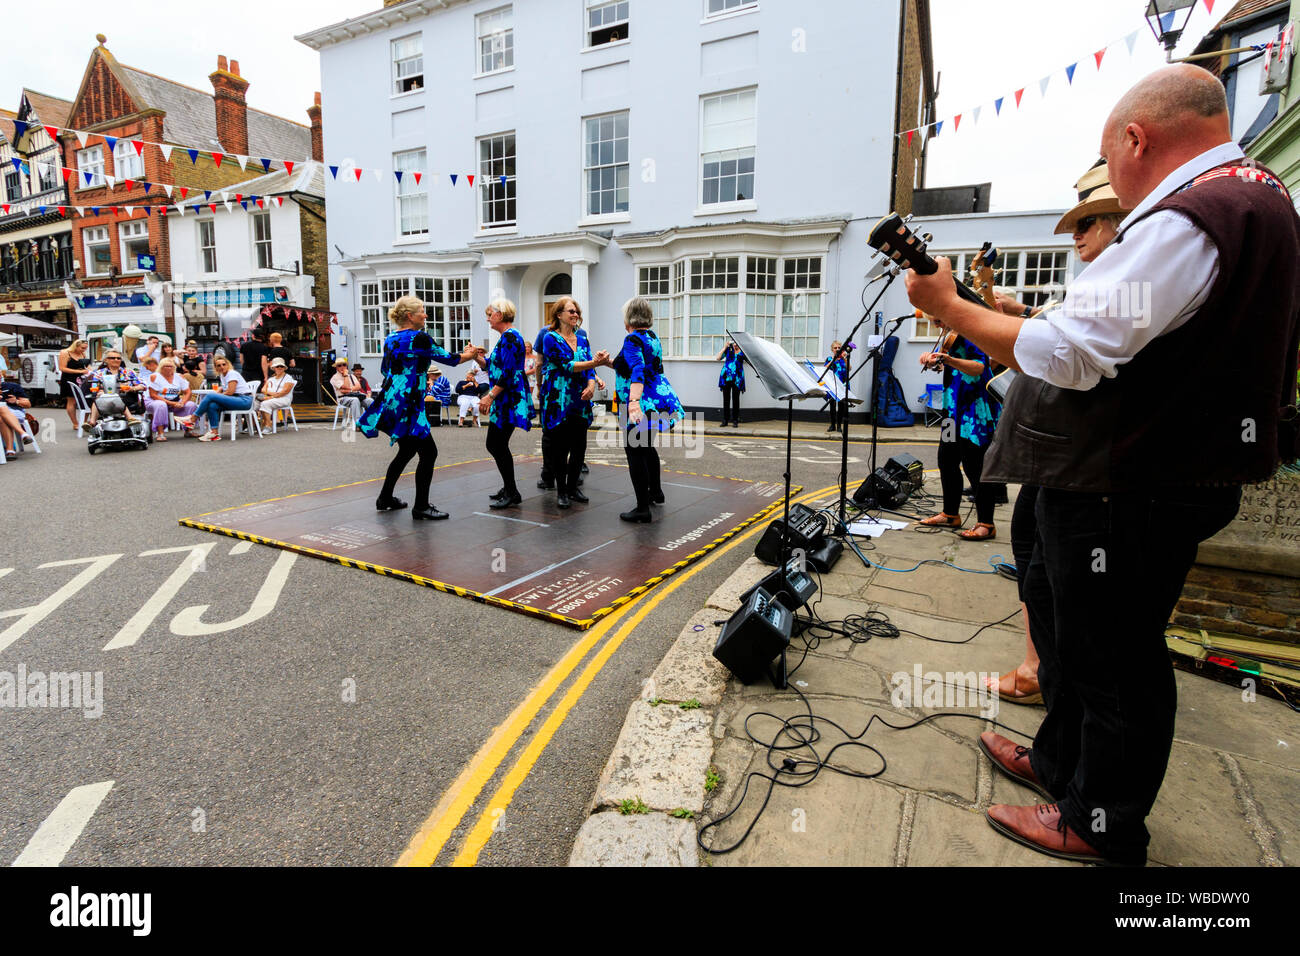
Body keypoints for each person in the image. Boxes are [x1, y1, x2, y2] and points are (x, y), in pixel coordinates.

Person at [904, 65, 1300, 866]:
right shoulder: (1256, 197)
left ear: (1135, 139)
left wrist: (950, 308)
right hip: (1141, 475)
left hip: (1132, 483)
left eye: (1108, 158)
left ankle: (1101, 821)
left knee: (1113, 653)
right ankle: (1060, 767)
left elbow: (1070, 351)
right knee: (1065, 618)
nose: (1112, 186)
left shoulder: (1191, 216)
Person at [986, 161, 1129, 707]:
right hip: (1058, 460)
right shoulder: (1103, 278)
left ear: (1121, 220)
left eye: (1088, 221)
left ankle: (1044, 680)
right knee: (1034, 556)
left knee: (1064, 587)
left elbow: (1073, 351)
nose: (1075, 233)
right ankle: (1039, 671)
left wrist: (952, 307)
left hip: (1084, 464)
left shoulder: (1131, 273)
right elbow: (1071, 322)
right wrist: (1024, 310)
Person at [358, 295, 479, 520]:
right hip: (409, 403)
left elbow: (386, 369)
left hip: (392, 399)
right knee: (429, 452)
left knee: (407, 451)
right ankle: (421, 506)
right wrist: (471, 354)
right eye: (422, 310)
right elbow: (450, 359)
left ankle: (385, 498)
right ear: (410, 316)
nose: (426, 314)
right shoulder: (420, 337)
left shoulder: (391, 338)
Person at [914, 318, 1001, 540]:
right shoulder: (950, 334)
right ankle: (951, 514)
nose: (936, 324)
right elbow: (950, 366)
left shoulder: (972, 330)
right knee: (947, 459)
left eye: (937, 318)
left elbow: (979, 367)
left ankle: (986, 523)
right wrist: (936, 363)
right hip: (952, 408)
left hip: (972, 410)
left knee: (974, 465)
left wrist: (949, 360)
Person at [605, 296, 684, 523]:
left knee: (635, 450)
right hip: (659, 399)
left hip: (641, 402)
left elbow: (638, 369)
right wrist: (607, 362)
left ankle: (642, 508)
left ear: (628, 318)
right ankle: (656, 493)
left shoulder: (631, 340)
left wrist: (633, 404)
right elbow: (630, 365)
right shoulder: (651, 337)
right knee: (646, 446)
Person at [539, 297, 609, 507]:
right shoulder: (550, 338)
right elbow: (567, 365)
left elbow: (588, 368)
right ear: (559, 314)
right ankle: (561, 492)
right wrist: (595, 362)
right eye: (571, 311)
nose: (575, 314)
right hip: (559, 398)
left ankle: (573, 489)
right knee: (560, 448)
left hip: (580, 397)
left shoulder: (583, 338)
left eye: (577, 311)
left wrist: (590, 385)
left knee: (579, 447)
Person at [474, 299, 534, 509]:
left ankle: (512, 491)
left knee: (496, 444)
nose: (488, 318)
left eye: (490, 314)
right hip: (506, 397)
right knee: (498, 444)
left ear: (500, 315)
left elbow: (508, 374)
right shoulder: (505, 337)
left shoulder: (510, 337)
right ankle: (509, 488)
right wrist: (478, 357)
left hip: (507, 398)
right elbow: (493, 366)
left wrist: (490, 396)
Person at [193, 353, 254, 441]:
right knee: (212, 405)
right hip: (235, 399)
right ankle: (214, 432)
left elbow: (230, 391)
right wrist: (221, 389)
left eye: (224, 364)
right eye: (219, 365)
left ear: (228, 364)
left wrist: (217, 395)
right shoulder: (223, 375)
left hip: (244, 400)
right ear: (216, 368)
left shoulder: (231, 373)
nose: (222, 367)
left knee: (210, 396)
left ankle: (193, 418)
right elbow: (226, 388)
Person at [86, 351, 145, 426]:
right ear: (105, 360)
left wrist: (131, 388)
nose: (116, 360)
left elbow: (142, 385)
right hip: (105, 398)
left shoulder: (128, 372)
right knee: (99, 398)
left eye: (118, 358)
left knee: (114, 397)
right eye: (112, 358)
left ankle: (129, 417)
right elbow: (94, 387)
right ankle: (92, 422)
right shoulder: (99, 373)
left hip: (126, 397)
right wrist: (99, 391)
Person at [144, 357, 197, 441]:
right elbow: (153, 395)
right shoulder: (155, 376)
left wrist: (183, 402)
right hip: (155, 401)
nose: (169, 368)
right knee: (161, 405)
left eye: (171, 366)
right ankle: (160, 433)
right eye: (166, 366)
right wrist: (171, 403)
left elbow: (188, 392)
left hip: (174, 400)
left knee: (191, 405)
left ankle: (188, 430)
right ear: (161, 367)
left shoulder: (179, 376)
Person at [57, 339, 93, 430]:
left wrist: (93, 372)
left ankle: (83, 422)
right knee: (72, 401)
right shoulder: (65, 353)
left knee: (86, 400)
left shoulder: (82, 354)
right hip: (69, 379)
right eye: (82, 348)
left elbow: (87, 366)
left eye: (85, 348)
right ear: (76, 346)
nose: (84, 350)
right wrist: (79, 371)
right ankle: (75, 423)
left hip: (82, 379)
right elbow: (62, 368)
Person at [256, 358, 297, 431]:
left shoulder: (288, 378)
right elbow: (263, 389)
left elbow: (284, 392)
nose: (279, 368)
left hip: (284, 399)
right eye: (277, 366)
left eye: (281, 366)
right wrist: (272, 394)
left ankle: (267, 426)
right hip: (272, 398)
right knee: (255, 403)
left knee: (265, 404)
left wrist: (270, 396)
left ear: (284, 368)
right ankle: (253, 426)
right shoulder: (271, 378)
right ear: (274, 368)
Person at [715, 341, 745, 427]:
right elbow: (718, 358)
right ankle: (725, 420)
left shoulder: (743, 352)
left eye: (736, 343)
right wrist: (724, 347)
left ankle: (735, 420)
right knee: (726, 400)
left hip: (737, 379)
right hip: (726, 378)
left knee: (736, 400)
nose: (735, 344)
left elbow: (751, 360)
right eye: (733, 342)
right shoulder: (728, 350)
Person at [823, 341, 850, 432]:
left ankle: (839, 426)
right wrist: (833, 359)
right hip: (833, 385)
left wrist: (845, 359)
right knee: (832, 405)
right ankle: (832, 425)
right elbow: (826, 368)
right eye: (835, 348)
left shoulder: (844, 358)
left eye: (839, 347)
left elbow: (849, 368)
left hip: (843, 384)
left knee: (841, 406)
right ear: (832, 349)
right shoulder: (830, 358)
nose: (837, 349)